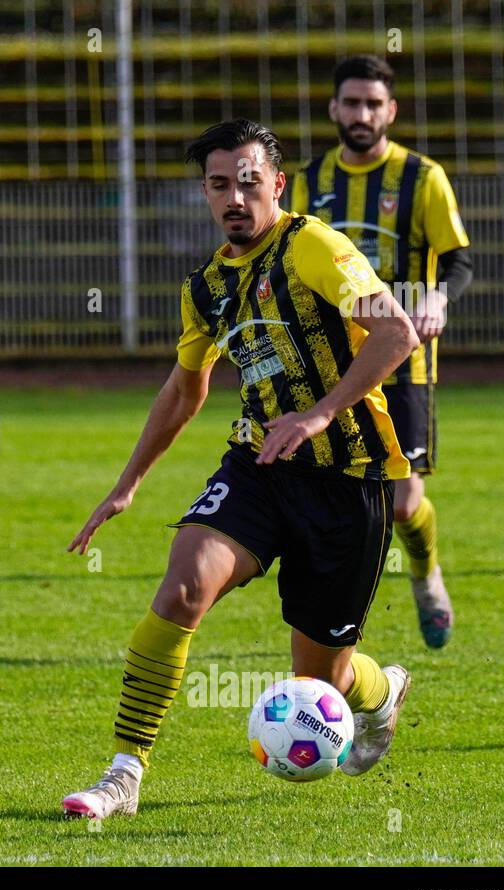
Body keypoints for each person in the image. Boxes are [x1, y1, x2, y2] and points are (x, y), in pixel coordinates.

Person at [61, 119, 419, 820]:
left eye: (249, 182)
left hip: (347, 480)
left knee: (324, 678)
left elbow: (396, 331)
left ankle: (380, 693)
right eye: (220, 184)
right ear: (206, 192)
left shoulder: (313, 246)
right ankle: (123, 774)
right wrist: (127, 484)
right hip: (259, 468)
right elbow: (184, 390)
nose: (235, 197)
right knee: (184, 586)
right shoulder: (205, 289)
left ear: (276, 185)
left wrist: (319, 413)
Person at [290, 55, 473, 648]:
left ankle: (425, 573)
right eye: (352, 103)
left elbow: (456, 258)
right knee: (329, 496)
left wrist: (438, 300)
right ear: (333, 109)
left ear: (390, 111)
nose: (362, 113)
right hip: (331, 364)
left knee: (400, 504)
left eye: (373, 104)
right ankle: (333, 628)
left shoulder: (423, 178)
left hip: (405, 362)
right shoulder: (306, 181)